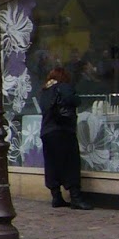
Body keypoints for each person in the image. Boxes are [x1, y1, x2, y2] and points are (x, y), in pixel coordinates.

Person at [40, 67, 93, 210]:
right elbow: (74, 100)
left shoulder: (45, 90)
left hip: (47, 132)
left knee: (52, 164)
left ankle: (56, 197)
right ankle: (75, 197)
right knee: (71, 162)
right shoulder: (63, 87)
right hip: (63, 130)